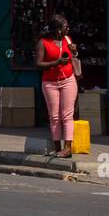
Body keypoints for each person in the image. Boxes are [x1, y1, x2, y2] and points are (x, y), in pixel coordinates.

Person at [36, 13, 78, 158]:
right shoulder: (43, 43)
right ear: (58, 29)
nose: (68, 29)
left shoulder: (68, 39)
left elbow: (74, 58)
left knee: (67, 115)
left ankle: (67, 148)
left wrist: (74, 51)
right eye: (66, 27)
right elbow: (38, 64)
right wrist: (56, 63)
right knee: (54, 116)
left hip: (68, 79)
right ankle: (57, 147)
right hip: (50, 83)